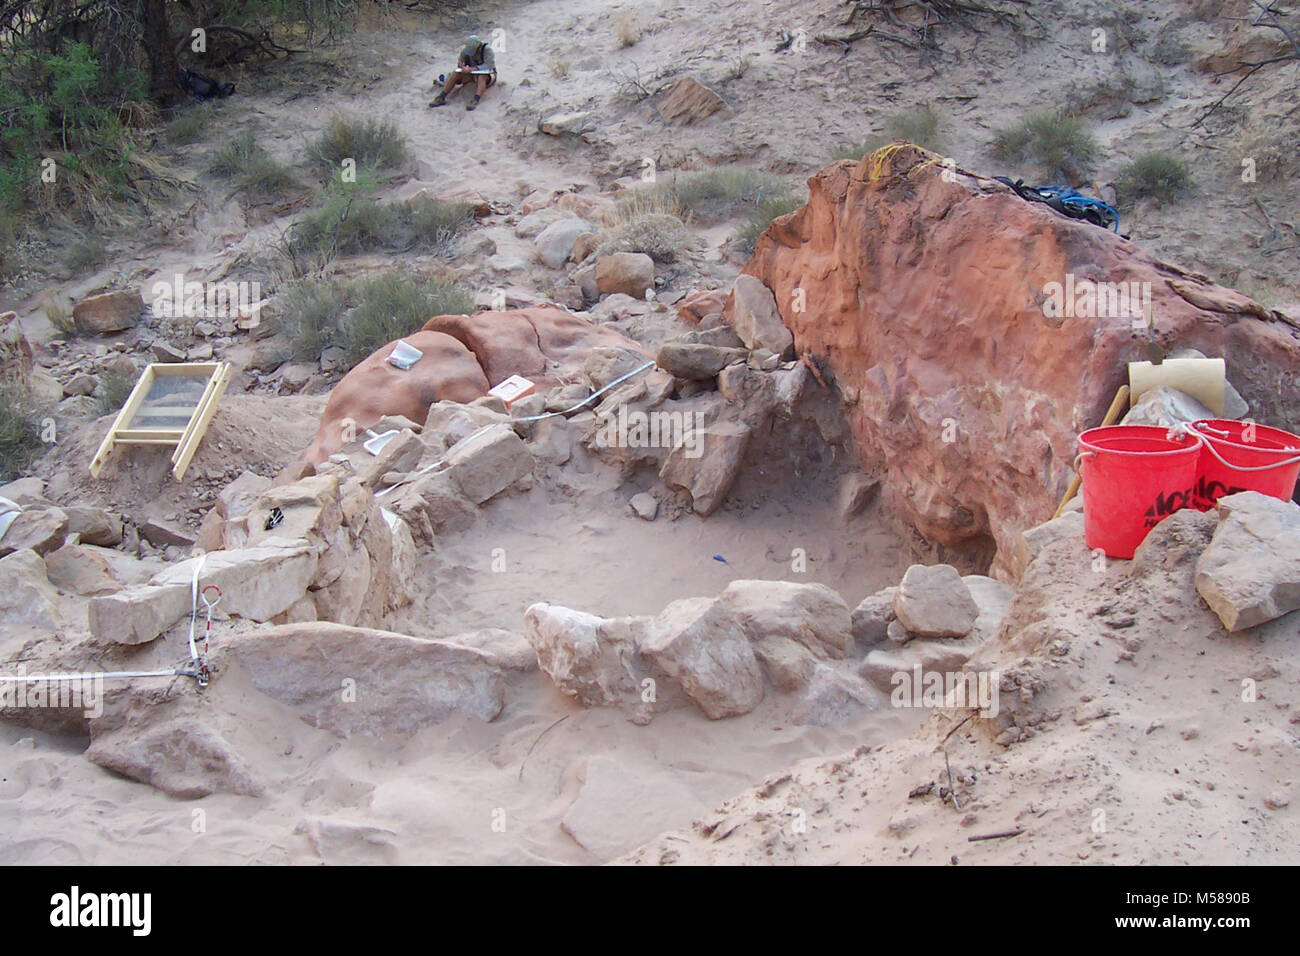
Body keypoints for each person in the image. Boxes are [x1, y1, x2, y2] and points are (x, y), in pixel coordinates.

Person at [429, 35, 497, 111]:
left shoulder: (487, 50)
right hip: (471, 74)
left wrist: (472, 69)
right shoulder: (466, 50)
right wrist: (461, 64)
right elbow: (461, 60)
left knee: (482, 76)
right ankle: (441, 97)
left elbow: (489, 65)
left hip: (486, 75)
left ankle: (476, 99)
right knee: (455, 73)